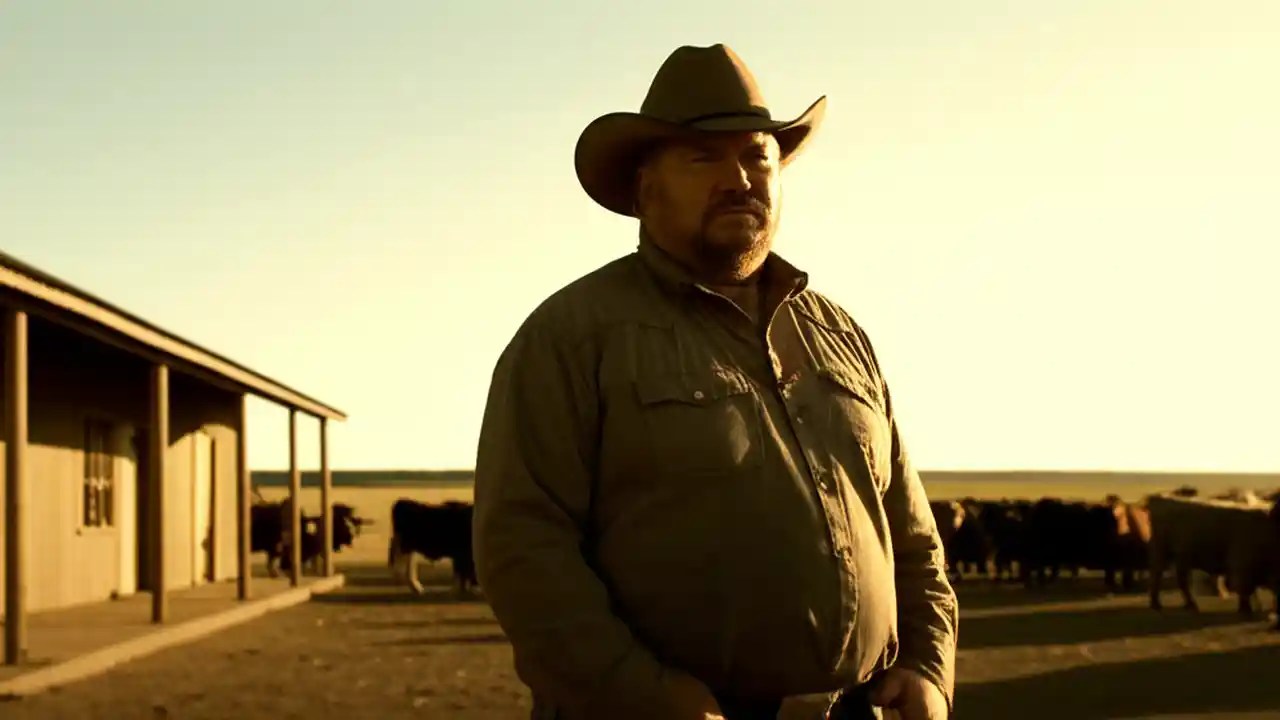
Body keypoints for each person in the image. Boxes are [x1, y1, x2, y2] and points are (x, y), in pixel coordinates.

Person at [473, 44, 958, 720]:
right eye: (704, 158)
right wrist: (647, 697)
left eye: (758, 157)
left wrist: (928, 666)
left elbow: (911, 533)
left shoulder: (839, 334)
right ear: (645, 189)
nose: (739, 179)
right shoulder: (573, 338)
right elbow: (524, 548)